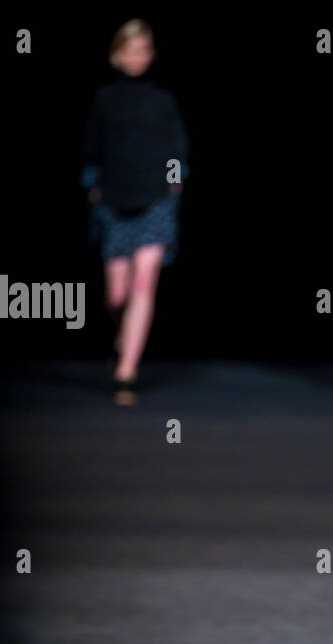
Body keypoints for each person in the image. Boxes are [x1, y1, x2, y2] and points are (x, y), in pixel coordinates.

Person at [81, 18, 189, 406]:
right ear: (116, 54)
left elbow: (178, 149)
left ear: (152, 55)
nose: (136, 57)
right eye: (130, 49)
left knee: (144, 282)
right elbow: (92, 148)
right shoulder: (104, 100)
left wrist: (174, 185)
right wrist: (93, 187)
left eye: (143, 49)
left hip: (155, 201)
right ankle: (121, 335)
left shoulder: (163, 101)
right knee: (117, 294)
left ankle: (126, 370)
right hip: (114, 200)